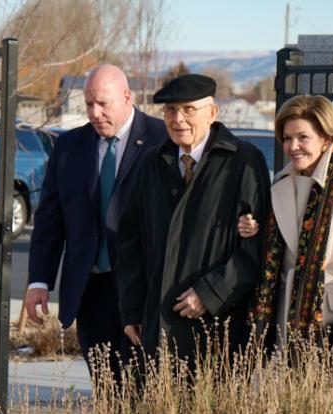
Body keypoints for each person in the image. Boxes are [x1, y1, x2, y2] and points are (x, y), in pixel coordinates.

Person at [25, 64, 167, 385]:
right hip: (91, 291)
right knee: (105, 388)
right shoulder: (69, 147)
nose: (95, 112)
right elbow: (50, 220)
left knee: (142, 386)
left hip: (143, 289)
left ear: (128, 97)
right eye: (89, 104)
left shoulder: (161, 140)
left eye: (103, 103)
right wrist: (39, 282)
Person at [115, 74, 270, 365]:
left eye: (188, 109)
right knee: (158, 409)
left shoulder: (243, 162)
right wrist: (132, 310)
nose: (178, 119)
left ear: (212, 112)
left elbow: (256, 246)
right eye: (170, 111)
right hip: (158, 323)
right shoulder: (152, 162)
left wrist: (211, 293)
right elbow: (129, 243)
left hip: (218, 325)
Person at [247, 95, 333, 388]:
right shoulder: (280, 186)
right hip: (281, 328)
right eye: (287, 138)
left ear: (327, 138)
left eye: (303, 137)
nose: (292, 146)